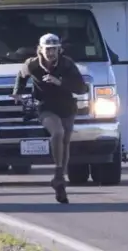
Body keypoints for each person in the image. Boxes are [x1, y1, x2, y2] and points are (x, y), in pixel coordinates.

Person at [12, 34, 89, 204]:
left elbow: (82, 88)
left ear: (59, 50)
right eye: (47, 49)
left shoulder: (67, 64)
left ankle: (59, 178)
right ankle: (59, 175)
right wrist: (17, 91)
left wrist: (59, 82)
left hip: (67, 107)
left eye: (54, 49)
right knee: (58, 133)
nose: (51, 53)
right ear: (40, 49)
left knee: (66, 141)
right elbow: (21, 75)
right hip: (45, 107)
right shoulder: (32, 64)